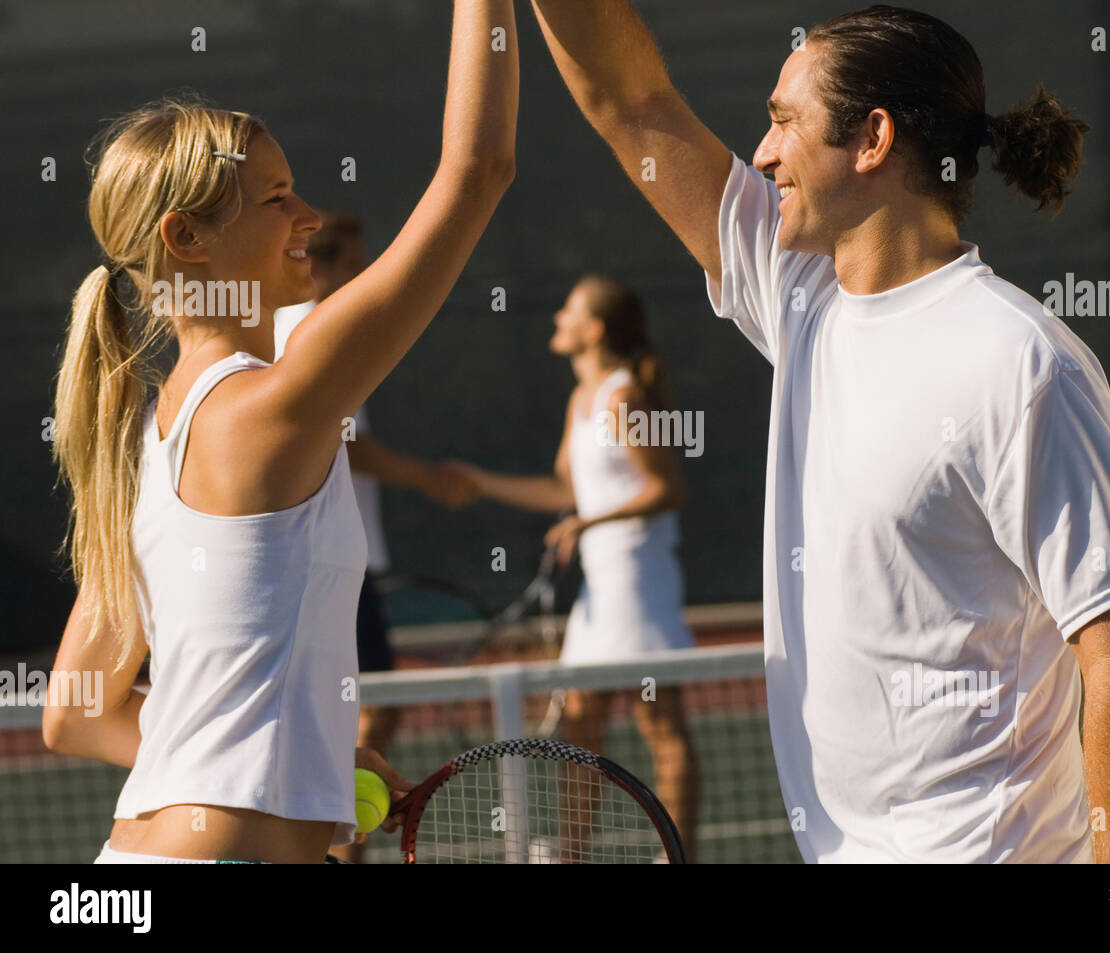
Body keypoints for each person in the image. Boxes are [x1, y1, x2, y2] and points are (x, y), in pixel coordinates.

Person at [528, 1, 1110, 863]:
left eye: (783, 122)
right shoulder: (799, 292)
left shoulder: (1022, 364)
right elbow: (630, 103)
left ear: (871, 139)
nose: (761, 152)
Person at [43, 0, 518, 863]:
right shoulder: (272, 404)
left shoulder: (145, 449)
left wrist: (300, 751)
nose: (309, 215)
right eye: (275, 197)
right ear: (185, 238)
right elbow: (477, 169)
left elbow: (77, 713)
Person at [437, 275, 700, 860]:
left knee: (660, 723)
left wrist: (589, 522)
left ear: (595, 329)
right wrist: (482, 483)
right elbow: (564, 488)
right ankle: (572, 854)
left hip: (639, 582)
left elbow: (667, 487)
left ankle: (676, 855)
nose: (557, 317)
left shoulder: (625, 396)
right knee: (580, 728)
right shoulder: (582, 399)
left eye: (569, 310)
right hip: (599, 591)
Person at [274, 210, 459, 863]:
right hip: (330, 570)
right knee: (354, 704)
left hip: (344, 564)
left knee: (363, 704)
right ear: (318, 263)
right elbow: (346, 444)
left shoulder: (321, 330)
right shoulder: (310, 330)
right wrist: (429, 478)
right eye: (353, 259)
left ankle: (336, 834)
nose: (362, 270)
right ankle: (334, 838)